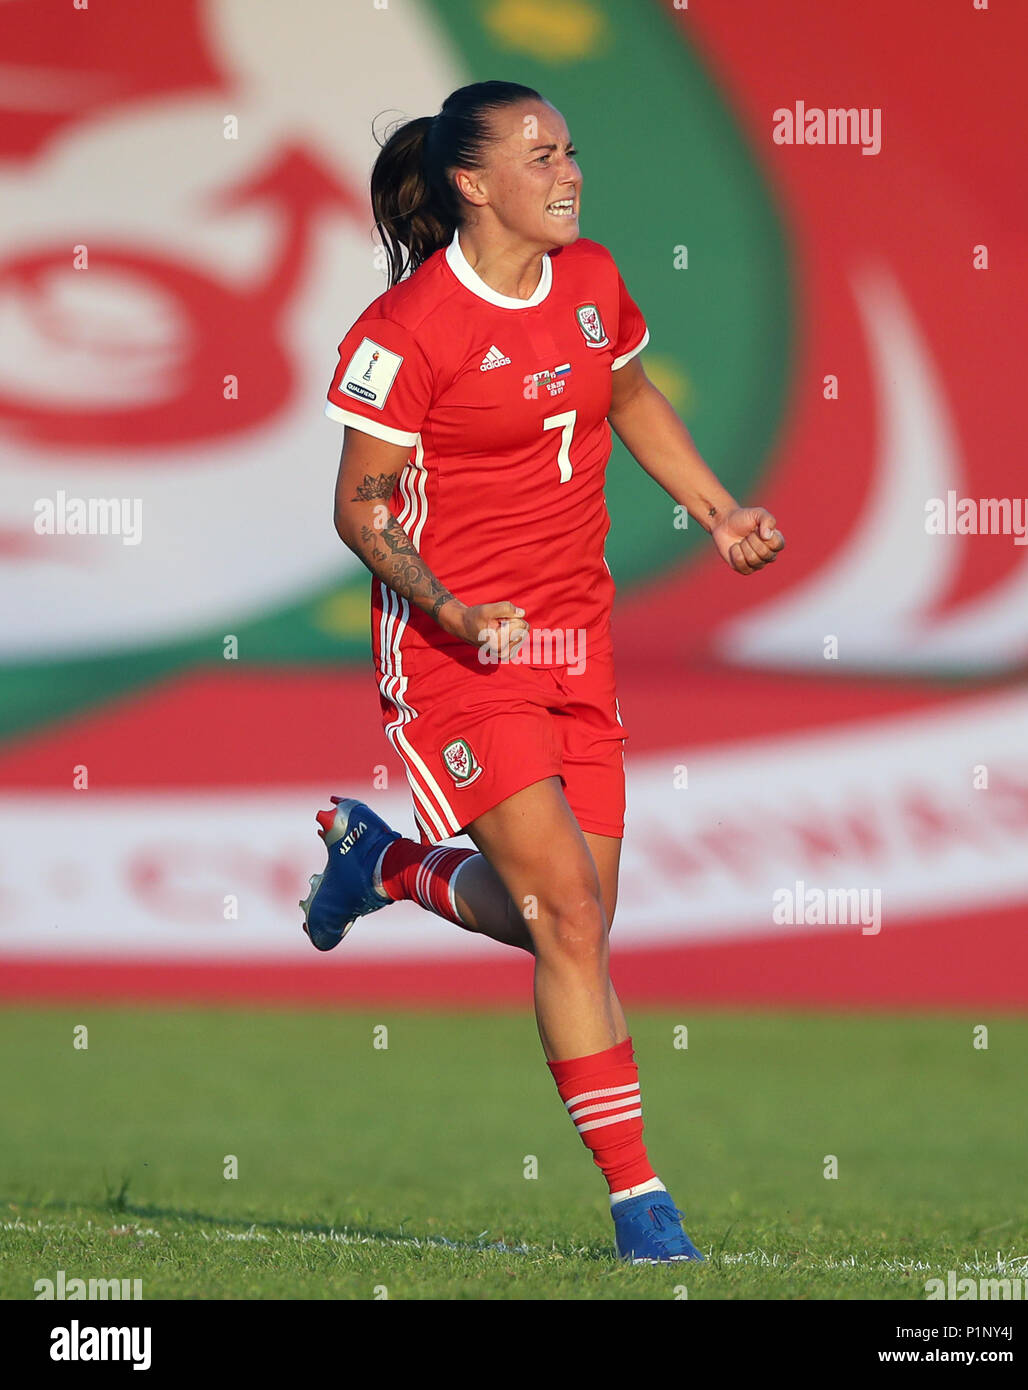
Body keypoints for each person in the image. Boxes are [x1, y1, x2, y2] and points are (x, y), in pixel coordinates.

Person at [301, 80, 785, 1264]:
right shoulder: (406, 332)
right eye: (540, 155)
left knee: (577, 917)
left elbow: (625, 392)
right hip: (457, 654)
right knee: (566, 913)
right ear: (472, 183)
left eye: (571, 150)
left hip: (577, 637)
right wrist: (450, 604)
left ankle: (389, 866)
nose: (569, 172)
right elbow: (362, 512)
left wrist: (718, 513)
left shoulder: (592, 283)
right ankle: (641, 1207)